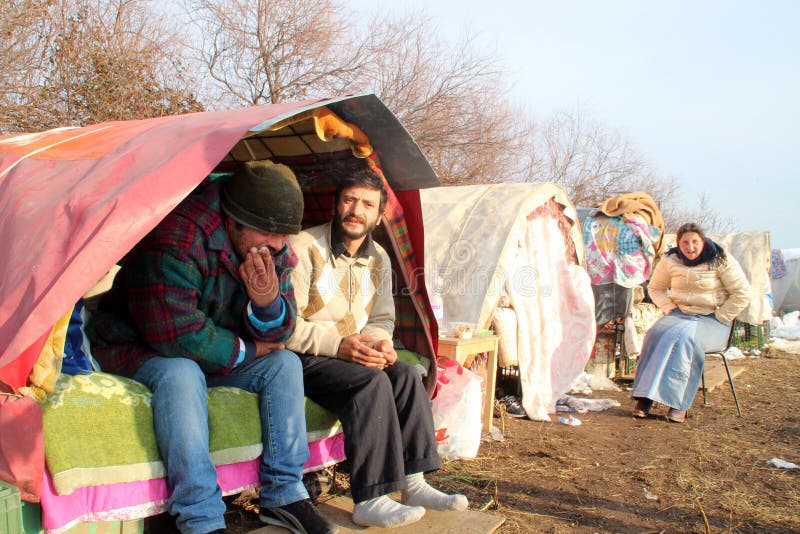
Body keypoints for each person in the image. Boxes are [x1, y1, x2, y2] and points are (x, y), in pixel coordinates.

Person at [87, 161, 337, 534]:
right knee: (182, 372)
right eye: (269, 234)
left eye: (285, 235)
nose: (278, 246)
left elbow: (280, 333)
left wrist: (268, 304)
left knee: (284, 363)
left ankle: (284, 494)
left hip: (213, 345)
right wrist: (247, 351)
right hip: (137, 343)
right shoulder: (177, 238)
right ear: (233, 220)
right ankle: (201, 518)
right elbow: (175, 336)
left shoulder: (275, 243)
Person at [286, 168, 468, 528]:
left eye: (367, 204)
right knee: (371, 384)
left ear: (379, 213)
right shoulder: (304, 247)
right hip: (304, 356)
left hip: (352, 352)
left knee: (404, 374)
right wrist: (339, 346)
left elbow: (383, 318)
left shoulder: (379, 258)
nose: (357, 210)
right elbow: (286, 325)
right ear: (337, 205)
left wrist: (379, 345)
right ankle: (370, 497)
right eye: (349, 200)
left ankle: (413, 482)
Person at [631, 223, 751, 423]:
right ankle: (645, 398)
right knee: (654, 334)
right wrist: (669, 308)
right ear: (679, 243)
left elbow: (742, 292)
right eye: (685, 242)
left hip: (712, 320)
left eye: (695, 241)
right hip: (680, 314)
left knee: (685, 339)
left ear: (703, 241)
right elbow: (655, 288)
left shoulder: (720, 259)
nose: (690, 247)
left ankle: (678, 403)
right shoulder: (671, 260)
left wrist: (721, 315)